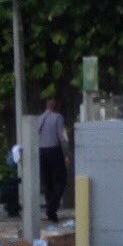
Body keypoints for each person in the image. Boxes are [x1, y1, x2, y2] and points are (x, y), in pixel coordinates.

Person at [36, 94, 71, 225]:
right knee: (61, 180)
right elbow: (62, 137)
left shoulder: (39, 119)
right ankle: (52, 206)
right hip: (54, 150)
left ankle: (50, 208)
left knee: (47, 181)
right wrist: (66, 154)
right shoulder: (58, 117)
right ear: (56, 105)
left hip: (41, 151)